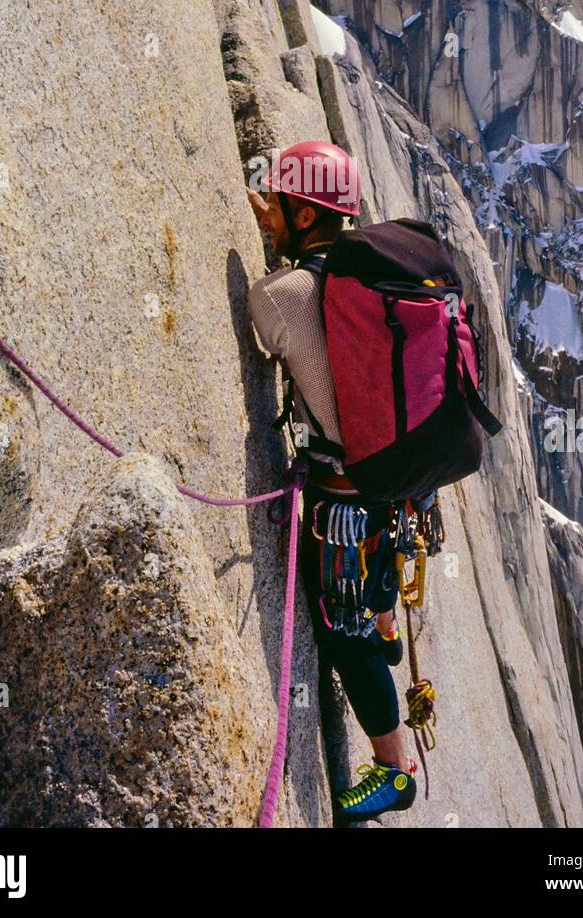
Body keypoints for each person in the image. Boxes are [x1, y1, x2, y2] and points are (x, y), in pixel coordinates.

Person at [246, 140, 418, 823]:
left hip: (343, 502)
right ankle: (385, 626)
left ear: (306, 214)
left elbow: (272, 318)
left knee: (339, 634)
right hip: (394, 479)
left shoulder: (286, 294)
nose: (266, 216)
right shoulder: (369, 281)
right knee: (370, 605)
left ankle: (392, 768)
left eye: (279, 206)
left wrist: (272, 245)